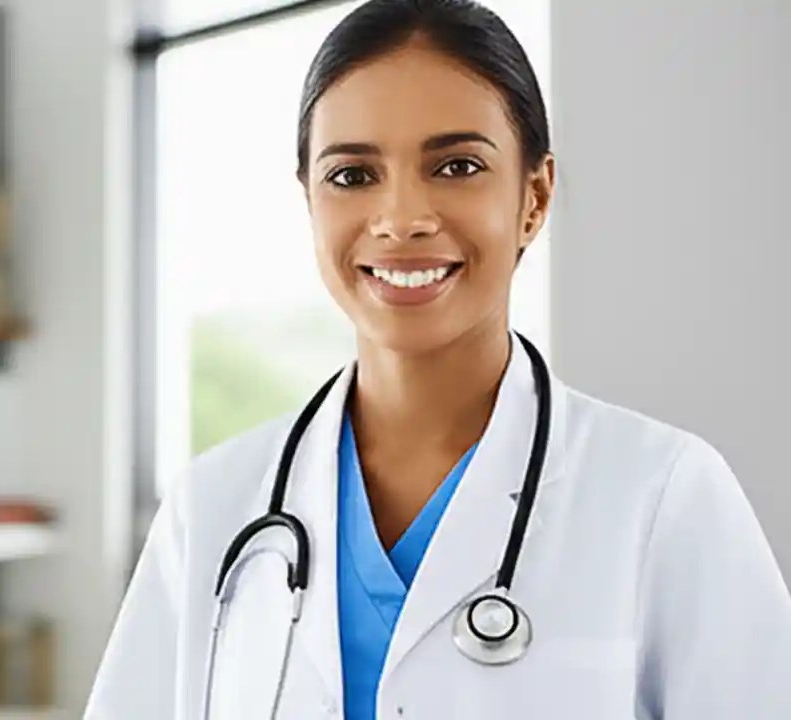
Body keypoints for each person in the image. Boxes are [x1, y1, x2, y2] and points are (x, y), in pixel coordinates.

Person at [85, 0, 791, 718]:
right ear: (309, 201)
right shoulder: (213, 510)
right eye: (352, 176)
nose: (402, 219)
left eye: (457, 166)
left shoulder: (663, 494)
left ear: (534, 197)